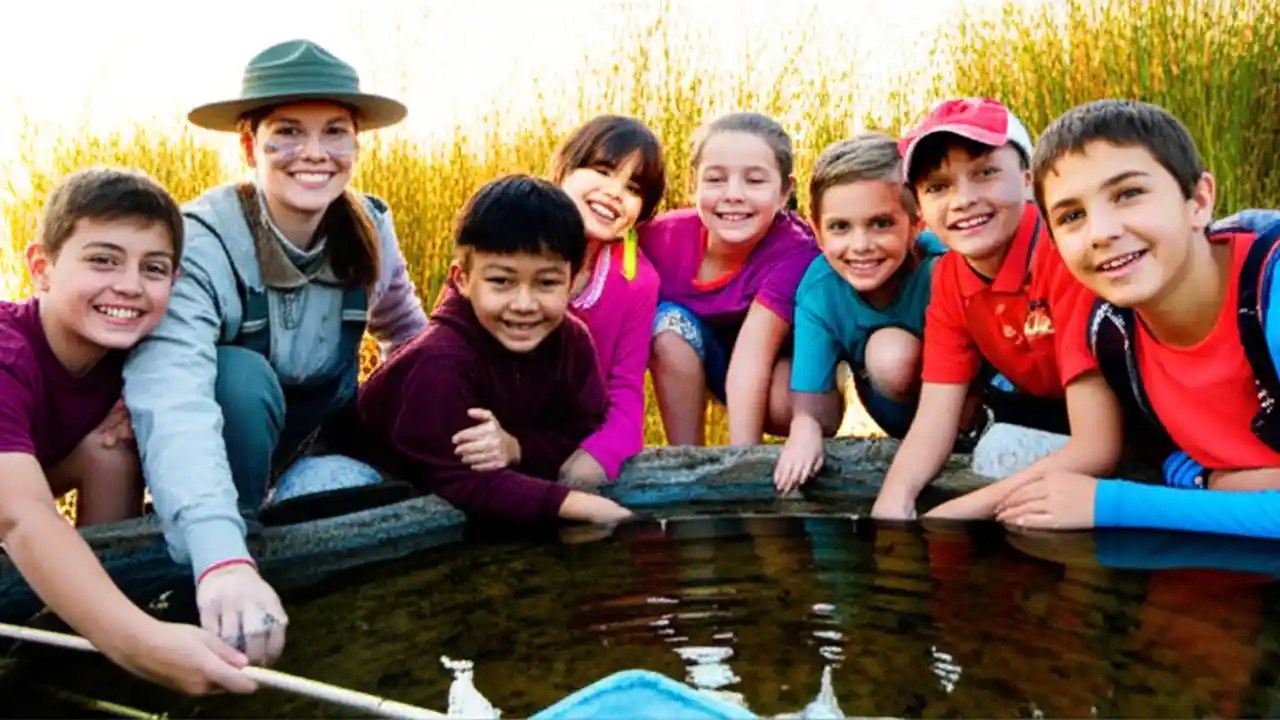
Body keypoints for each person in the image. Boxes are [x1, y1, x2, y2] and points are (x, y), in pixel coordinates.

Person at [123, 39, 427, 663]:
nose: (313, 154)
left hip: (322, 456)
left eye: (334, 133)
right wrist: (220, 556)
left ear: (356, 146)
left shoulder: (373, 226)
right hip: (217, 480)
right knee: (238, 376)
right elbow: (173, 397)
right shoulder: (201, 242)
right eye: (287, 132)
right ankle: (225, 573)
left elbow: (412, 342)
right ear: (247, 145)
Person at [0, 167, 257, 694]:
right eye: (102, 260)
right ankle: (118, 638)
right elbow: (20, 517)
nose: (129, 286)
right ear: (41, 268)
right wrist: (146, 645)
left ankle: (80, 633)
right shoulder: (7, 354)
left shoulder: (134, 356)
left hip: (35, 476)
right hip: (12, 500)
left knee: (111, 451)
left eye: (154, 268)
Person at [992, 98, 1280, 539]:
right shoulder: (1111, 337)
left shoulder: (1269, 290)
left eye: (1128, 194)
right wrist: (1208, 481)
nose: (1102, 232)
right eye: (1072, 216)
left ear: (1199, 201)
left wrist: (1112, 503)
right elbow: (1165, 453)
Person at [870, 97, 1118, 520]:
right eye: (938, 187)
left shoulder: (1064, 255)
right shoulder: (949, 274)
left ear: (1028, 181)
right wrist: (894, 502)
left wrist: (954, 513)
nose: (963, 199)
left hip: (1123, 423)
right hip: (1052, 408)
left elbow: (1098, 448)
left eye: (985, 173)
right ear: (920, 209)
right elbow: (935, 418)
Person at [354, 174, 633, 524]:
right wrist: (581, 506)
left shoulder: (572, 343)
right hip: (366, 479)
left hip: (447, 486)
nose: (524, 303)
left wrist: (516, 446)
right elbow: (462, 482)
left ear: (573, 281)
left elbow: (583, 426)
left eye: (547, 283)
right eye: (501, 281)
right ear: (463, 280)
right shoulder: (439, 362)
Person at [642, 112, 833, 446]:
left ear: (785, 191)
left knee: (781, 399)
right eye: (715, 179)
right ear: (692, 184)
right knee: (668, 325)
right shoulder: (661, 238)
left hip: (778, 373)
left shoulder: (796, 252)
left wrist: (741, 464)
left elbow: (752, 356)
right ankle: (685, 464)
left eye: (755, 181)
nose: (733, 194)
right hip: (701, 362)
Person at [774, 133, 946, 491]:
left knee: (892, 353)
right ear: (817, 232)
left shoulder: (942, 269)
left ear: (917, 222)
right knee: (883, 358)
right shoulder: (820, 289)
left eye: (881, 223)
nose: (861, 246)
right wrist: (804, 427)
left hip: (961, 407)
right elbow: (808, 401)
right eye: (840, 227)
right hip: (899, 414)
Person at [535, 115, 664, 485]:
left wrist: (600, 455)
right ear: (565, 169)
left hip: (570, 442)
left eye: (633, 187)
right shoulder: (508, 235)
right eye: (603, 170)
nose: (614, 192)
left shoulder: (636, 282)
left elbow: (626, 393)